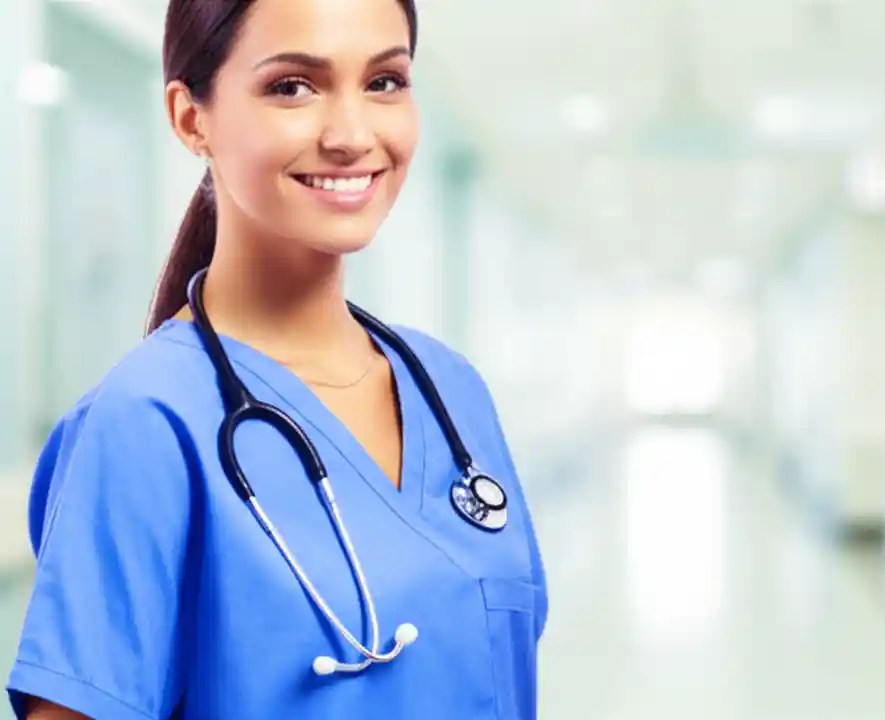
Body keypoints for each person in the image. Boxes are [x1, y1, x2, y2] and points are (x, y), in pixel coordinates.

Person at [5, 0, 548, 717]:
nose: (352, 134)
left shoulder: (452, 392)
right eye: (293, 86)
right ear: (190, 117)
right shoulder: (145, 422)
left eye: (384, 81)